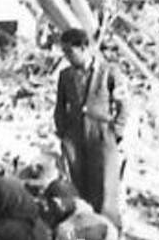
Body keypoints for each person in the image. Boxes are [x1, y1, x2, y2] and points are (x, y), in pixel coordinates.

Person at [55, 27, 129, 224]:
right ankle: (84, 233)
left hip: (102, 134)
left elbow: (123, 105)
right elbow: (60, 107)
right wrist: (63, 134)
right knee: (80, 185)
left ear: (85, 48)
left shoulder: (109, 72)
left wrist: (116, 132)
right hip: (75, 135)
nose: (67, 57)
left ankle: (107, 237)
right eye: (64, 52)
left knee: (105, 187)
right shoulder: (66, 75)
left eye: (70, 52)